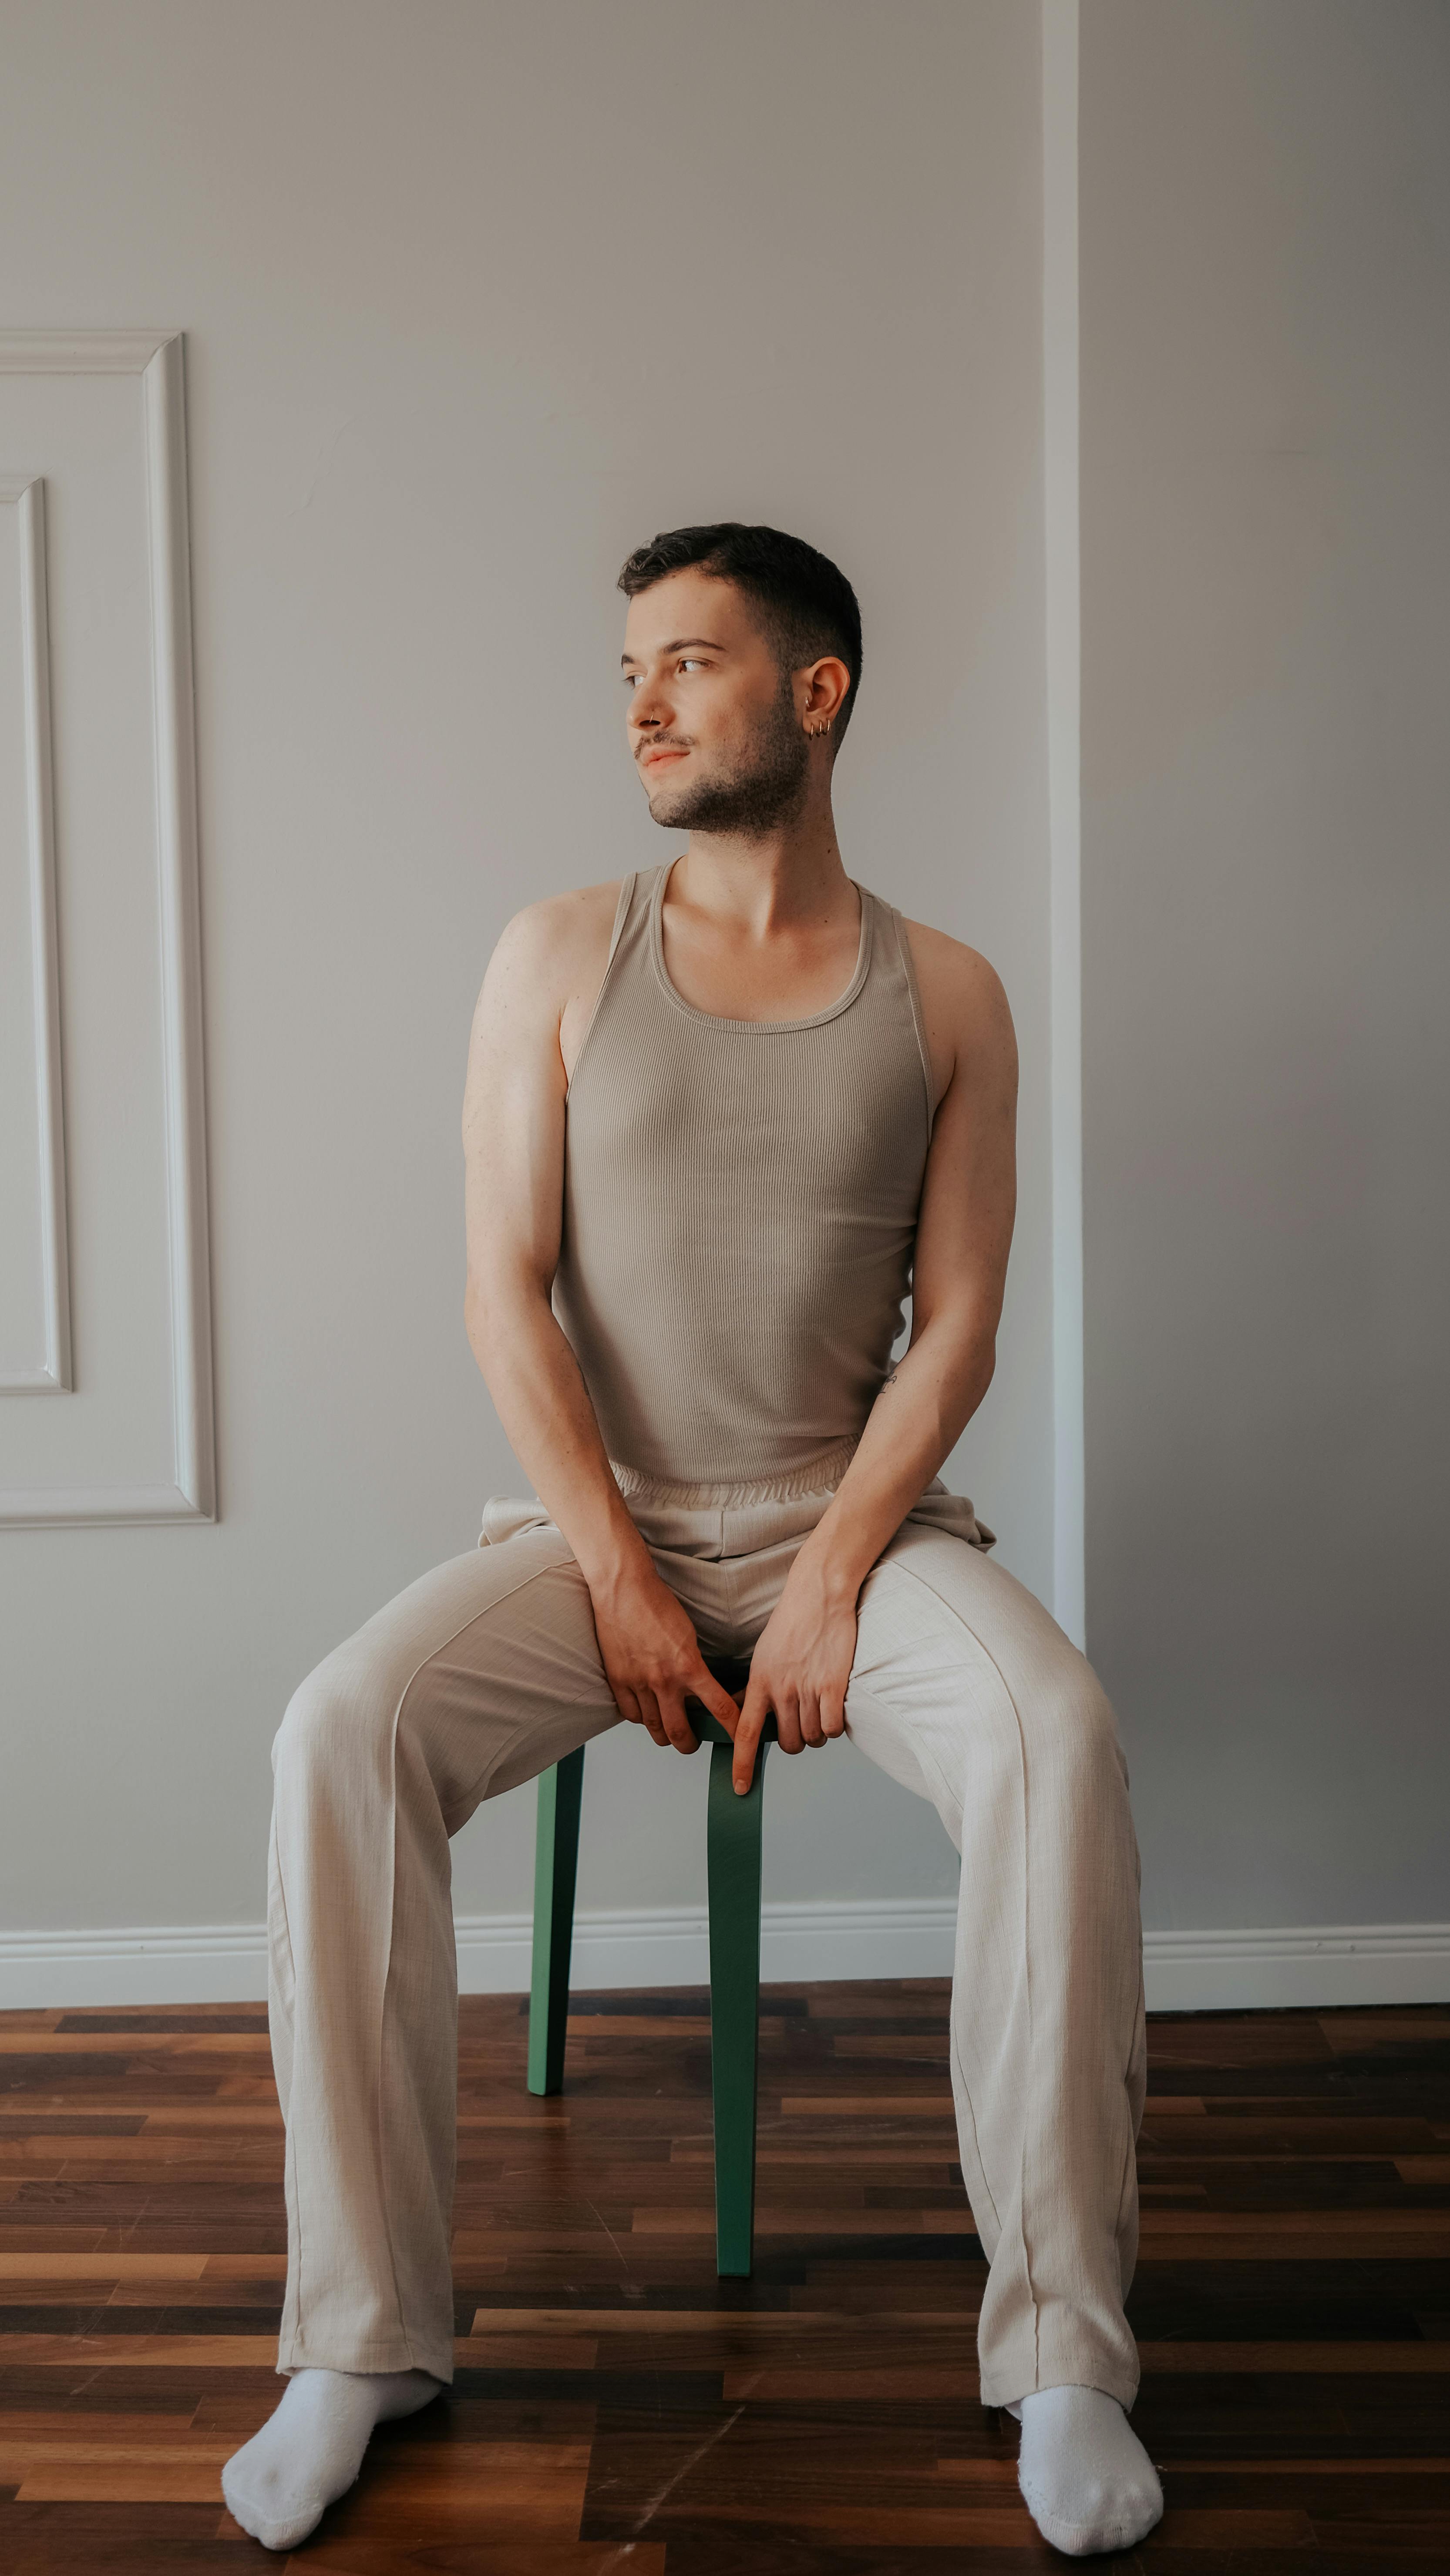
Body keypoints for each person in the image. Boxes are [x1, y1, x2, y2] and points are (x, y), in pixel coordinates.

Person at [222, 522, 1164, 2559]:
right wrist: (629, 1584)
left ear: (813, 694)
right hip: (602, 1537)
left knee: (1059, 1736)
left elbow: (962, 1330)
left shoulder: (957, 995)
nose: (639, 699)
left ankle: (1063, 2354)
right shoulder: (557, 951)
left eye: (687, 661)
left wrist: (830, 1570)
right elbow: (504, 1293)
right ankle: (361, 2333)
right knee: (334, 1731)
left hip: (863, 1536)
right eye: (627, 668)